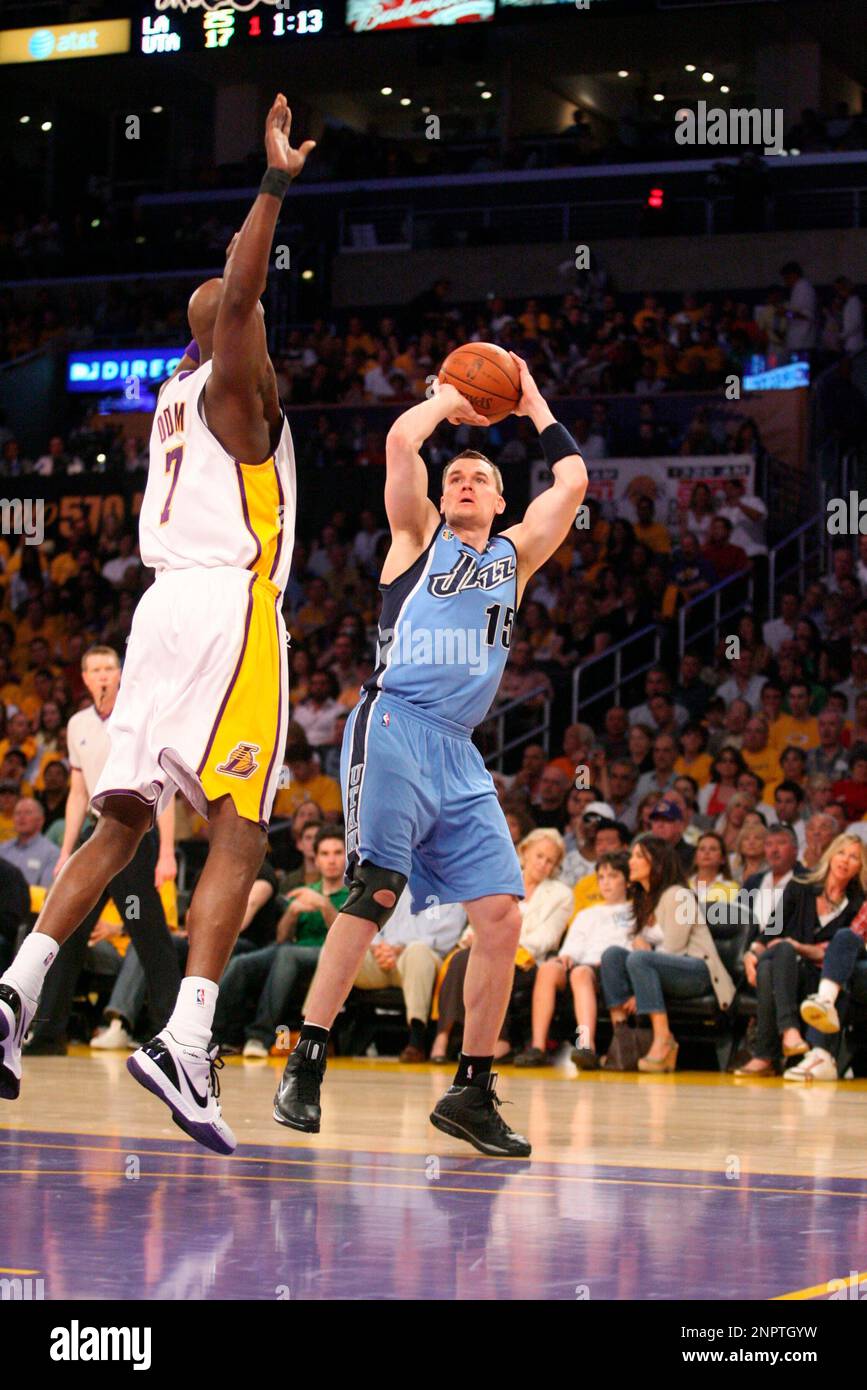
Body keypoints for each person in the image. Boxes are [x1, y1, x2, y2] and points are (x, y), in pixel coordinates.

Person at [0, 95, 310, 1153]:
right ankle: (188, 1034)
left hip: (157, 614)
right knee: (244, 823)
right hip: (230, 605)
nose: (259, 327)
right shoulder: (234, 387)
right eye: (249, 318)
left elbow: (232, 301)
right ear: (232, 331)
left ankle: (13, 989)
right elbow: (244, 293)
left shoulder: (172, 398)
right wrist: (271, 184)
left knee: (120, 821)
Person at [273, 360, 588, 1158]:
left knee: (501, 915)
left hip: (458, 751)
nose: (466, 481)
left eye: (480, 476)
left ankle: (471, 1090)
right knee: (376, 886)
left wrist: (527, 400)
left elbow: (574, 479)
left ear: (502, 499)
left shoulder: (515, 558)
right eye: (456, 475)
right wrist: (454, 403)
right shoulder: (414, 540)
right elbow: (400, 439)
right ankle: (307, 1058)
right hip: (394, 725)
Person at [12, 646, 180, 1058]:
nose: (103, 675)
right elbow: (76, 793)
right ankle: (49, 1033)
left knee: (146, 930)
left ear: (120, 673)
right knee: (69, 933)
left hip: (133, 837)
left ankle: (172, 1034)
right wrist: (66, 851)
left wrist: (167, 853)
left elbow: (167, 786)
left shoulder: (139, 713)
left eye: (109, 668)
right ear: (84, 677)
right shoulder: (77, 724)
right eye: (95, 670)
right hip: (93, 835)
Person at [430, 830, 573, 1066]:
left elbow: (547, 938)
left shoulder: (561, 894)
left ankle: (500, 1039)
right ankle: (442, 1037)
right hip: (488, 947)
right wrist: (472, 938)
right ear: (524, 852)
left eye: (550, 861)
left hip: (528, 960)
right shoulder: (501, 881)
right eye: (539, 856)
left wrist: (501, 943)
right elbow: (477, 921)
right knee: (460, 959)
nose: (543, 864)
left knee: (489, 961)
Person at [599, 837, 735, 1072]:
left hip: (698, 972)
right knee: (612, 955)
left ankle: (664, 1040)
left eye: (639, 856)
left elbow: (675, 950)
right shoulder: (643, 898)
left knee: (638, 958)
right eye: (632, 855)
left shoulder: (677, 895)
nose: (631, 861)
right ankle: (623, 1039)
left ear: (658, 862)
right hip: (660, 970)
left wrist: (637, 988)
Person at [735, 834, 867, 1076]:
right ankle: (790, 1033)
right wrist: (751, 954)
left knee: (773, 962)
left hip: (819, 973)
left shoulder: (859, 903)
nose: (845, 860)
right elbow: (770, 931)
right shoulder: (800, 886)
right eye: (841, 853)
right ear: (830, 856)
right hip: (786, 966)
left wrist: (796, 946)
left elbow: (836, 950)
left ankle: (767, 1054)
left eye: (854, 857)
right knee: (777, 954)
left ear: (861, 867)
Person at [213, 828, 347, 1057]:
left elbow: (345, 940)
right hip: (293, 949)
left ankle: (259, 1036)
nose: (332, 860)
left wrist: (325, 906)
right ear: (316, 858)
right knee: (243, 962)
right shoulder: (305, 891)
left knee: (286, 955)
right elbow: (281, 937)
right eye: (325, 854)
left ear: (346, 856)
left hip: (329, 954)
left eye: (337, 853)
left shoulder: (352, 894)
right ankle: (213, 1034)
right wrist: (291, 914)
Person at [514, 851, 634, 1069]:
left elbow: (638, 947)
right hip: (582, 964)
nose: (606, 883)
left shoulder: (635, 911)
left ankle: (586, 1046)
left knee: (580, 973)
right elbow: (571, 948)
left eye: (613, 876)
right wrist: (567, 956)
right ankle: (538, 1046)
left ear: (627, 880)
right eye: (602, 877)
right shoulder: (587, 914)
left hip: (610, 968)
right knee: (549, 968)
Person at [347, 890, 466, 1063]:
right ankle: (315, 1032)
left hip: (429, 962)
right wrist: (379, 948)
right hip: (384, 958)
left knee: (417, 952)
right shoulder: (398, 884)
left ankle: (416, 1041)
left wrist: (398, 950)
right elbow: (374, 925)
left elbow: (445, 939)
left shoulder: (455, 890)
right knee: (340, 951)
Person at [0, 797, 59, 888]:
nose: (21, 817)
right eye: (17, 813)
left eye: (28, 812)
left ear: (40, 821)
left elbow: (46, 892)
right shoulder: (2, 849)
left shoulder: (51, 853)